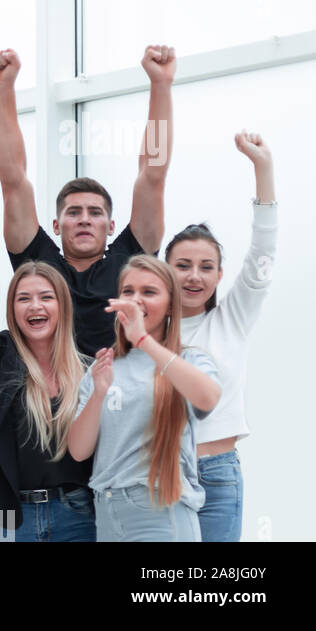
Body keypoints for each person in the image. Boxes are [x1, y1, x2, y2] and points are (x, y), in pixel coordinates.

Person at [0, 46, 175, 356]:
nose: (85, 219)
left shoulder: (130, 258)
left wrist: (160, 85)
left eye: (95, 213)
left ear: (112, 225)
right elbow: (12, 180)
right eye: (73, 212)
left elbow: (153, 174)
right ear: (56, 226)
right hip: (52, 397)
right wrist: (3, 89)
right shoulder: (38, 261)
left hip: (116, 393)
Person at [0, 187, 95, 542]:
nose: (35, 307)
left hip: (78, 516)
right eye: (24, 298)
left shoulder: (87, 369)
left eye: (45, 297)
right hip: (13, 519)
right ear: (12, 309)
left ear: (62, 307)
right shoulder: (0, 356)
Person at [164, 131, 277, 541]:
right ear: (165, 270)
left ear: (219, 275)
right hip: (157, 475)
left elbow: (263, 253)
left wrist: (262, 168)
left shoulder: (233, 317)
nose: (194, 276)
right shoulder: (146, 335)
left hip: (215, 473)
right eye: (183, 265)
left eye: (206, 266)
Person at [68, 255, 221, 541]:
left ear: (170, 306)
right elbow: (78, 450)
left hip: (160, 512)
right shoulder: (102, 367)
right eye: (128, 291)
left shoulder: (188, 360)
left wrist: (143, 340)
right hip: (108, 513)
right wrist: (98, 393)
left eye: (149, 292)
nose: (136, 300)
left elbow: (209, 398)